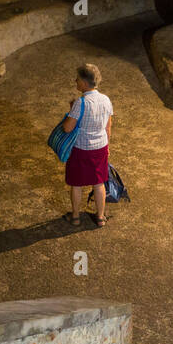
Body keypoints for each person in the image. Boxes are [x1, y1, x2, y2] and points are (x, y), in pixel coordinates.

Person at [60, 62, 113, 227]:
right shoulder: (106, 99)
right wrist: (107, 147)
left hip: (81, 149)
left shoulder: (81, 103)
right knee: (98, 182)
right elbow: (108, 126)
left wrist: (70, 113)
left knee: (76, 183)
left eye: (77, 79)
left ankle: (75, 217)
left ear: (84, 83)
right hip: (100, 147)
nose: (75, 81)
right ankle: (101, 217)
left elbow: (68, 128)